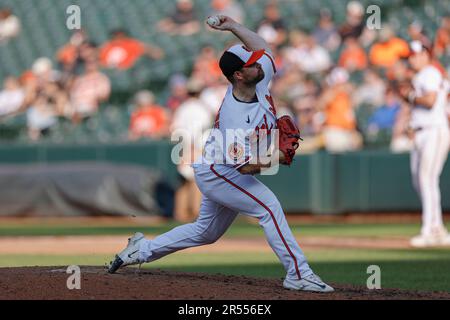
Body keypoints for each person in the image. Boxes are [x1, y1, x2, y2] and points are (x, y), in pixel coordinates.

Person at [108, 15, 334, 293]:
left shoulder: (257, 79)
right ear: (238, 75)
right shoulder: (234, 116)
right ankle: (298, 273)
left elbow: (263, 47)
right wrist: (281, 156)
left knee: (207, 232)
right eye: (250, 64)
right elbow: (247, 168)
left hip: (223, 166)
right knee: (269, 208)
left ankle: (141, 250)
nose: (258, 63)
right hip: (219, 171)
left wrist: (233, 28)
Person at [397, 41, 450, 247]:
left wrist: (410, 96)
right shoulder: (422, 75)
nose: (413, 58)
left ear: (427, 55)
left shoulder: (430, 72)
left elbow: (429, 101)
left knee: (427, 179)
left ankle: (430, 230)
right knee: (420, 181)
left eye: (418, 54)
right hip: (422, 130)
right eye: (411, 55)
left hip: (434, 130)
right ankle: (437, 228)